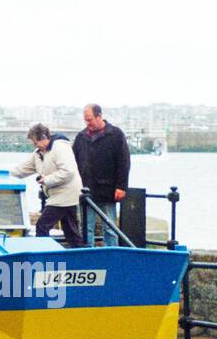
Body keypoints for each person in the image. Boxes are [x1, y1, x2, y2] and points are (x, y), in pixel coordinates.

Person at [9, 123, 84, 247]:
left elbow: (68, 171)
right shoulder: (38, 154)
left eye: (35, 142)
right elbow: (22, 169)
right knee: (71, 230)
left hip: (65, 195)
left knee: (42, 225)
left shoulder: (60, 148)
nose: (34, 145)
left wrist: (46, 180)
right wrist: (5, 175)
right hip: (59, 195)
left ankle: (42, 253)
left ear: (44, 138)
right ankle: (82, 255)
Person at [72, 103, 130, 247]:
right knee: (86, 228)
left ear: (99, 116)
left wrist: (121, 186)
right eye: (85, 120)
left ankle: (113, 257)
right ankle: (88, 258)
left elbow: (124, 162)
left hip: (108, 188)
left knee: (110, 227)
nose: (87, 123)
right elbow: (74, 162)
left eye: (90, 119)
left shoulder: (116, 134)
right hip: (86, 189)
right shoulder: (81, 137)